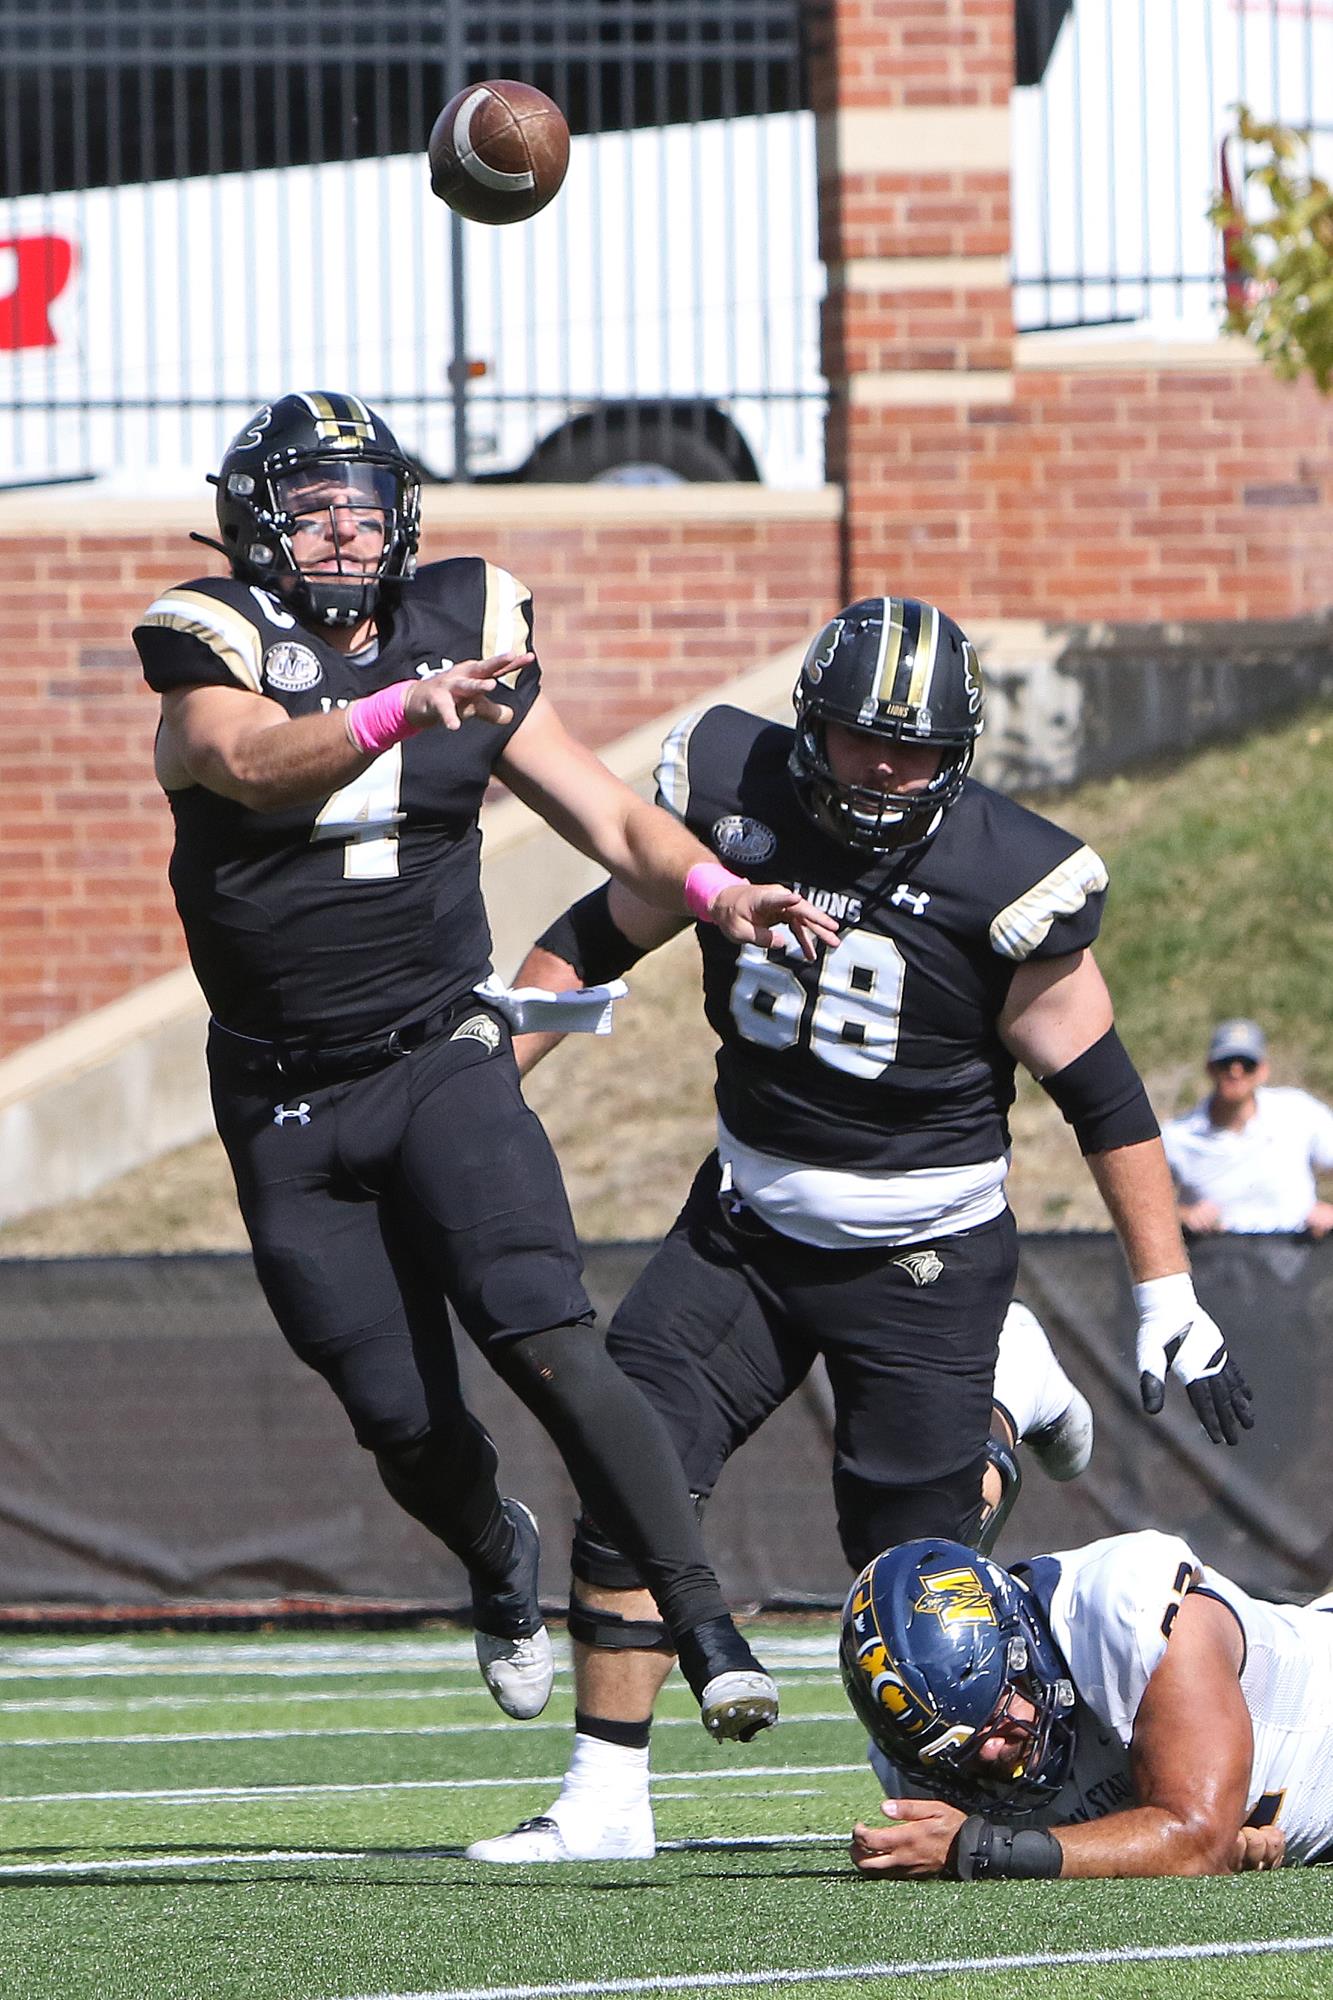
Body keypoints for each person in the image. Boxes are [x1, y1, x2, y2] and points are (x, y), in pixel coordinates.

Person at [465, 593, 1251, 1863]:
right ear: (806, 721)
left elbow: (1102, 1095)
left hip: (924, 1252)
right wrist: (477, 1085)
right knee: (630, 1467)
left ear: (960, 750)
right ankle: (605, 1792)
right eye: (860, 737)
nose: (884, 767)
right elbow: (600, 933)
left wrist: (1167, 1291)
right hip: (748, 1221)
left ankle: (1007, 1397)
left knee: (906, 1571)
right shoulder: (733, 792)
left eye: (914, 747)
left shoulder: (1004, 872)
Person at [132, 388, 843, 1740]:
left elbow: (610, 819)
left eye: (361, 508)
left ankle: (706, 1626)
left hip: (442, 1051)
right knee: (401, 1419)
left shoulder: (465, 624)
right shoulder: (210, 650)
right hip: (286, 1099)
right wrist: (398, 709)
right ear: (256, 527)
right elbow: (252, 762)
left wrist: (717, 892)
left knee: (547, 1331)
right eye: (311, 509)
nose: (343, 533)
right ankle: (491, 1548)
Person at [841, 1529, 1333, 1877]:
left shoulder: (1127, 1612)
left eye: (995, 1715)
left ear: (1024, 1647)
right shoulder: (913, 1766)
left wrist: (984, 1849)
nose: (990, 1752)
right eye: (960, 1750)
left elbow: (1197, 1840)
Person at [1163, 1019, 1333, 1239]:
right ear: (1210, 1068)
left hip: (1298, 1250)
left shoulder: (1299, 1112)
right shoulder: (1178, 1136)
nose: (1235, 1072)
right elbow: (1142, 1204)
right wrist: (1184, 1215)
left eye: (1247, 1064)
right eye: (1226, 1063)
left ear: (1263, 1070)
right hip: (1217, 1252)